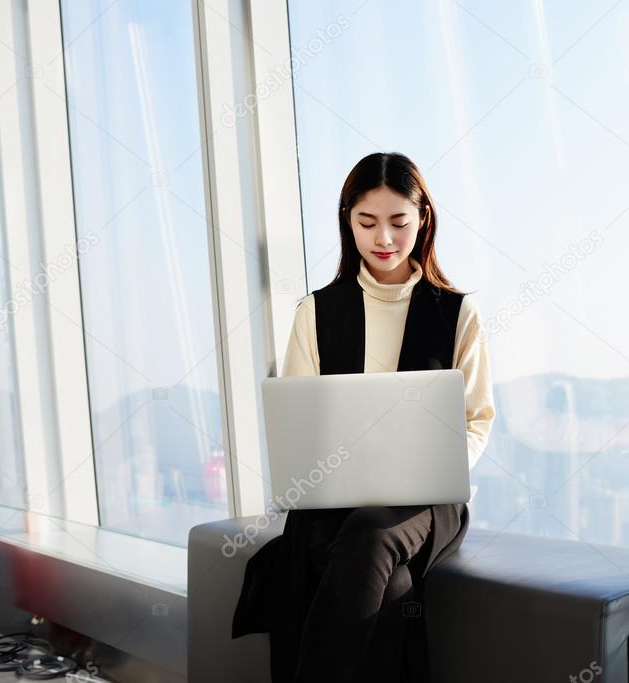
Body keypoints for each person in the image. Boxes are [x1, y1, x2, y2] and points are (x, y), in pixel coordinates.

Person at [230, 152, 496, 682]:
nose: (384, 238)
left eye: (399, 221)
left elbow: (477, 419)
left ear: (423, 219)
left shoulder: (455, 312)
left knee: (372, 533)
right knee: (389, 581)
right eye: (367, 222)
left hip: (425, 504)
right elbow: (299, 422)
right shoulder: (317, 312)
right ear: (347, 221)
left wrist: (440, 468)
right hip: (335, 500)